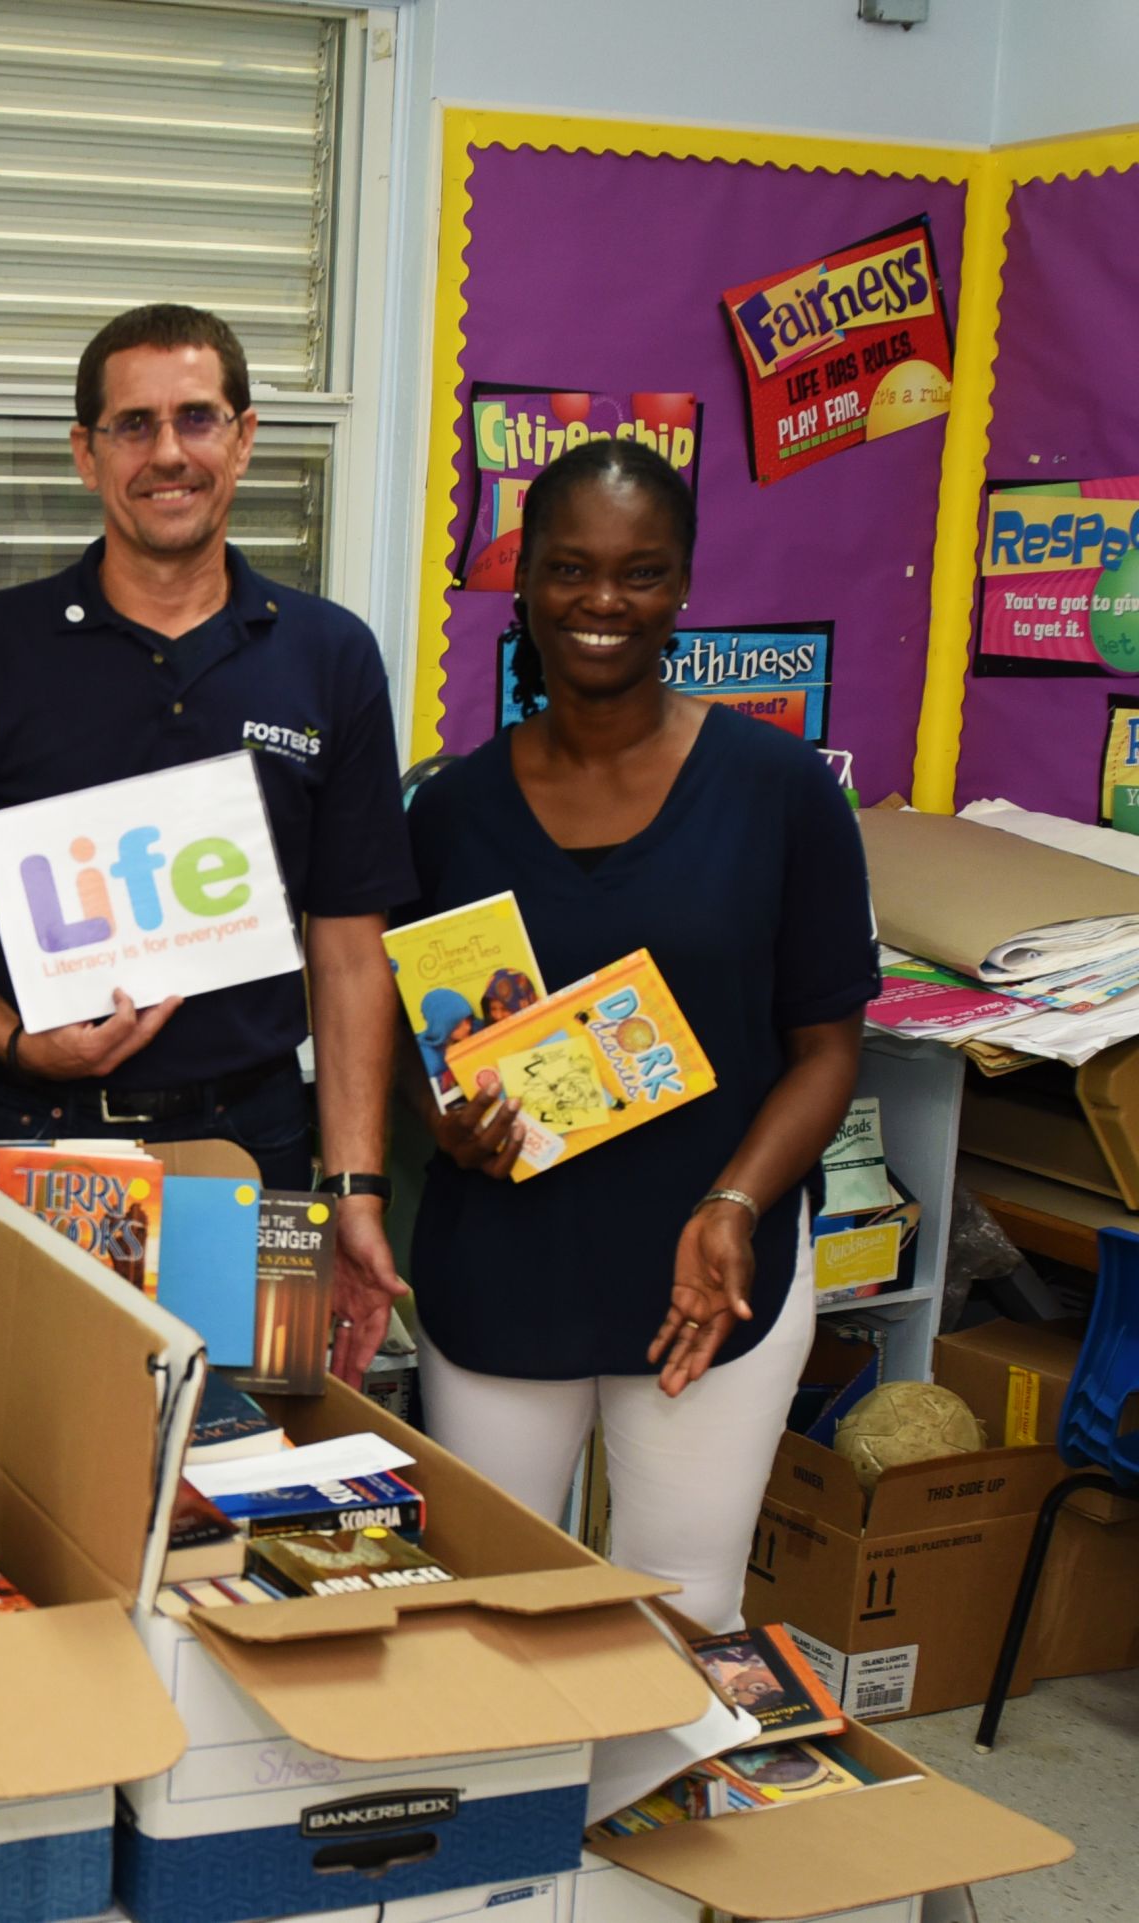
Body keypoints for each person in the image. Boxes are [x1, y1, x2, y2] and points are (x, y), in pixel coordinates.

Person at [0, 303, 414, 1381]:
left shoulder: (330, 657)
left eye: (197, 418)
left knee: (247, 1445)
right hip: (32, 1134)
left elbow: (350, 950)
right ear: (87, 452)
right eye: (134, 424)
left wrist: (355, 1188)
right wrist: (11, 1038)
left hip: (253, 1148)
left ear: (243, 439)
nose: (168, 452)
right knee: (26, 1449)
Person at [397, 435, 875, 1632]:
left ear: (682, 588)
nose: (601, 601)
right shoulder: (448, 810)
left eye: (639, 572)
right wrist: (443, 1122)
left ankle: (655, 1780)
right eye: (569, 568)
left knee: (683, 1608)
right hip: (505, 1260)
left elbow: (827, 1050)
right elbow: (414, 1048)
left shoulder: (780, 791)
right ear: (521, 583)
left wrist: (734, 1207)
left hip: (707, 1267)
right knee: (493, 1606)